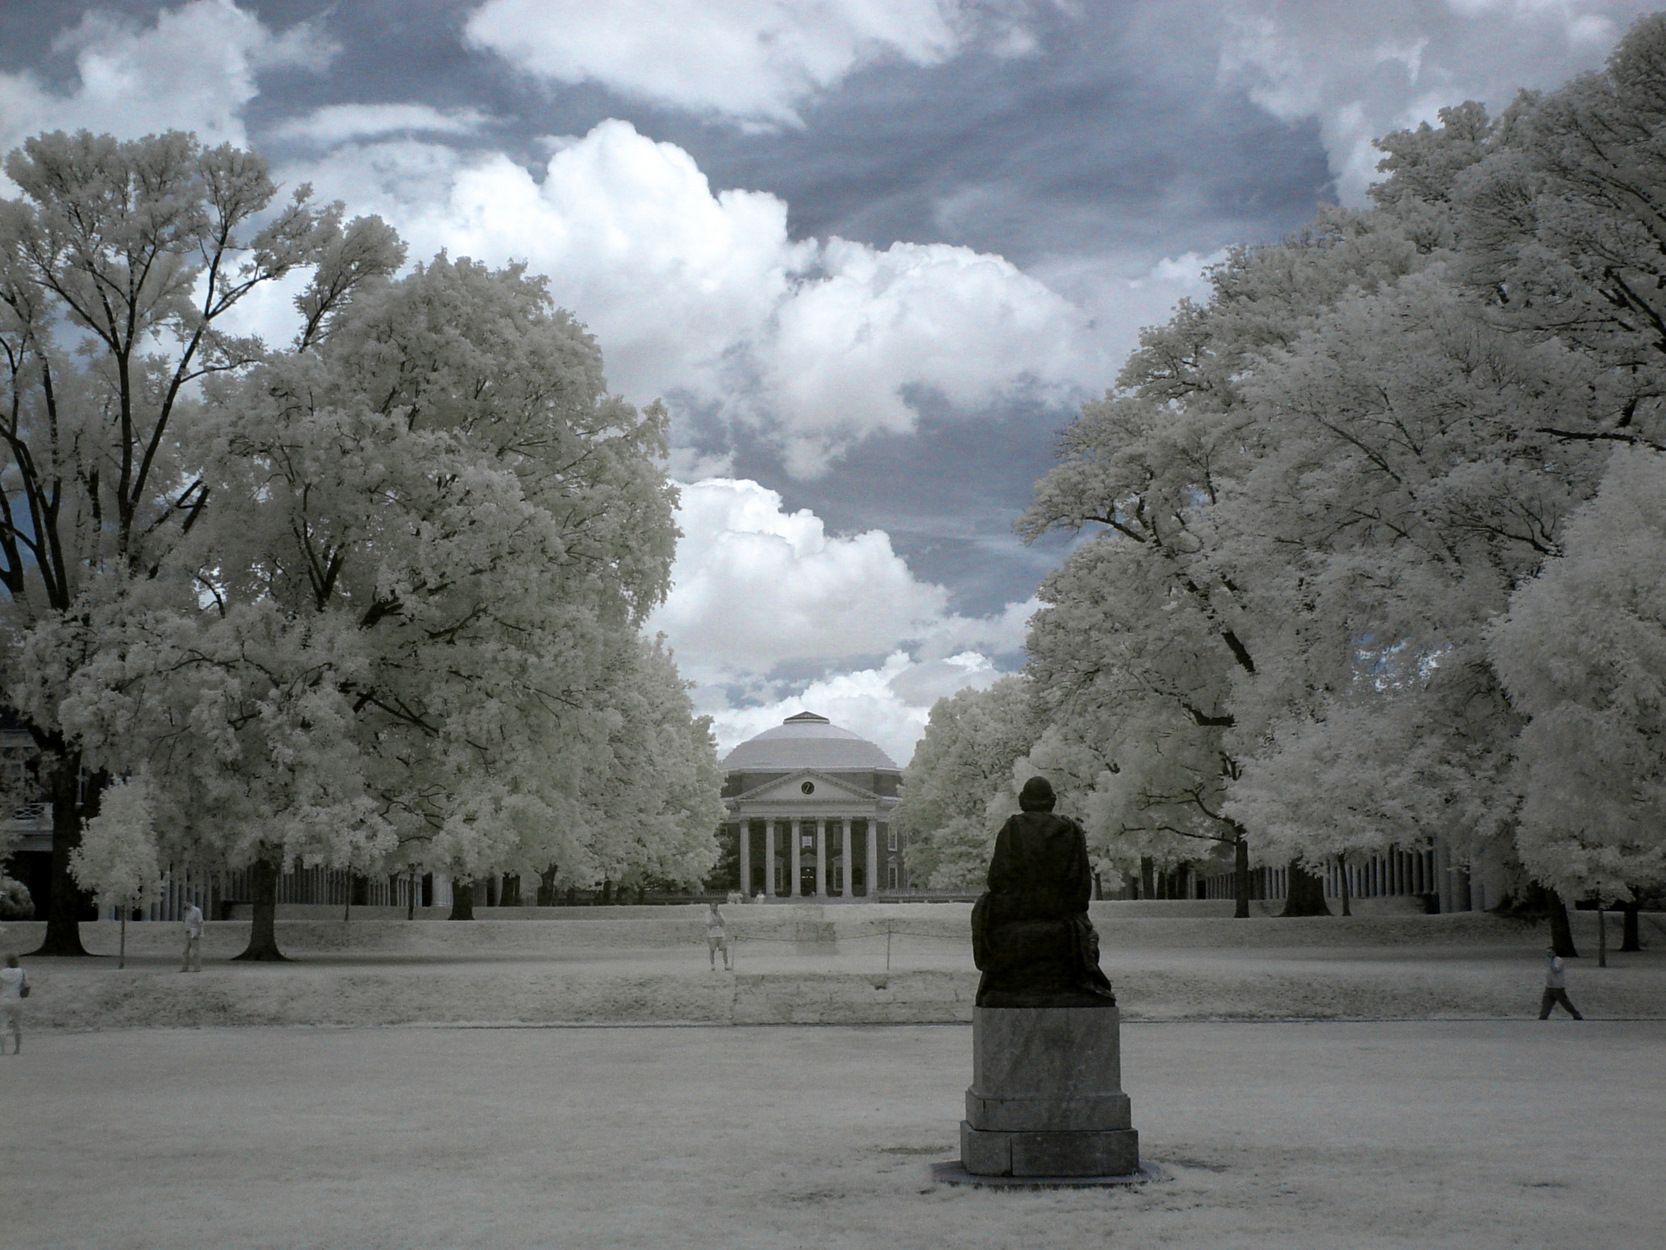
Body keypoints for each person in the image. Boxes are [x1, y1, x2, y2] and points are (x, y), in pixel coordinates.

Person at [971, 777, 1116, 1008]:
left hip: (1020, 913)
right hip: (1061, 915)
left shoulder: (1012, 829)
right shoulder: (1071, 830)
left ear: (1022, 801)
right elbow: (1081, 889)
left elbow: (997, 880)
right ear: (1052, 801)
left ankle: (1001, 980)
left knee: (984, 906)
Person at [1539, 947, 1584, 1019]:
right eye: (1547, 953)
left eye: (1550, 952)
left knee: (1565, 1003)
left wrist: (1550, 962)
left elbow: (1556, 969)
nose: (1548, 954)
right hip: (1549, 986)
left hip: (1558, 987)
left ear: (1554, 953)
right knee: (1546, 1003)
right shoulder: (1548, 960)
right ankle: (1543, 1016)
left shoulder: (1558, 960)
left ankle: (1576, 1015)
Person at [1, 953, 26, 1055]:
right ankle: (17, 1049)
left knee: (2, 1026)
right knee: (17, 1025)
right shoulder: (22, 971)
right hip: (17, 1000)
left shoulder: (2, 972)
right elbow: (26, 984)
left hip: (3, 1000)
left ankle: (2, 1050)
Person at [705, 901, 731, 971]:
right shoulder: (707, 914)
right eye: (712, 906)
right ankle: (712, 965)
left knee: (724, 950)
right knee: (712, 950)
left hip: (721, 934)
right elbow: (708, 923)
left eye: (714, 906)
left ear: (717, 907)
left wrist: (718, 916)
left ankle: (726, 965)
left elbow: (723, 923)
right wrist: (716, 922)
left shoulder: (720, 913)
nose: (713, 908)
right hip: (712, 935)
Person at [181, 898, 204, 972]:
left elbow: (200, 922)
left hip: (194, 930)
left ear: (190, 903)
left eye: (186, 903)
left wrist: (198, 932)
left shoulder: (197, 910)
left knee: (195, 951)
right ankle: (185, 968)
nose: (185, 905)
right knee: (185, 951)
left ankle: (197, 968)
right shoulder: (186, 911)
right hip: (187, 931)